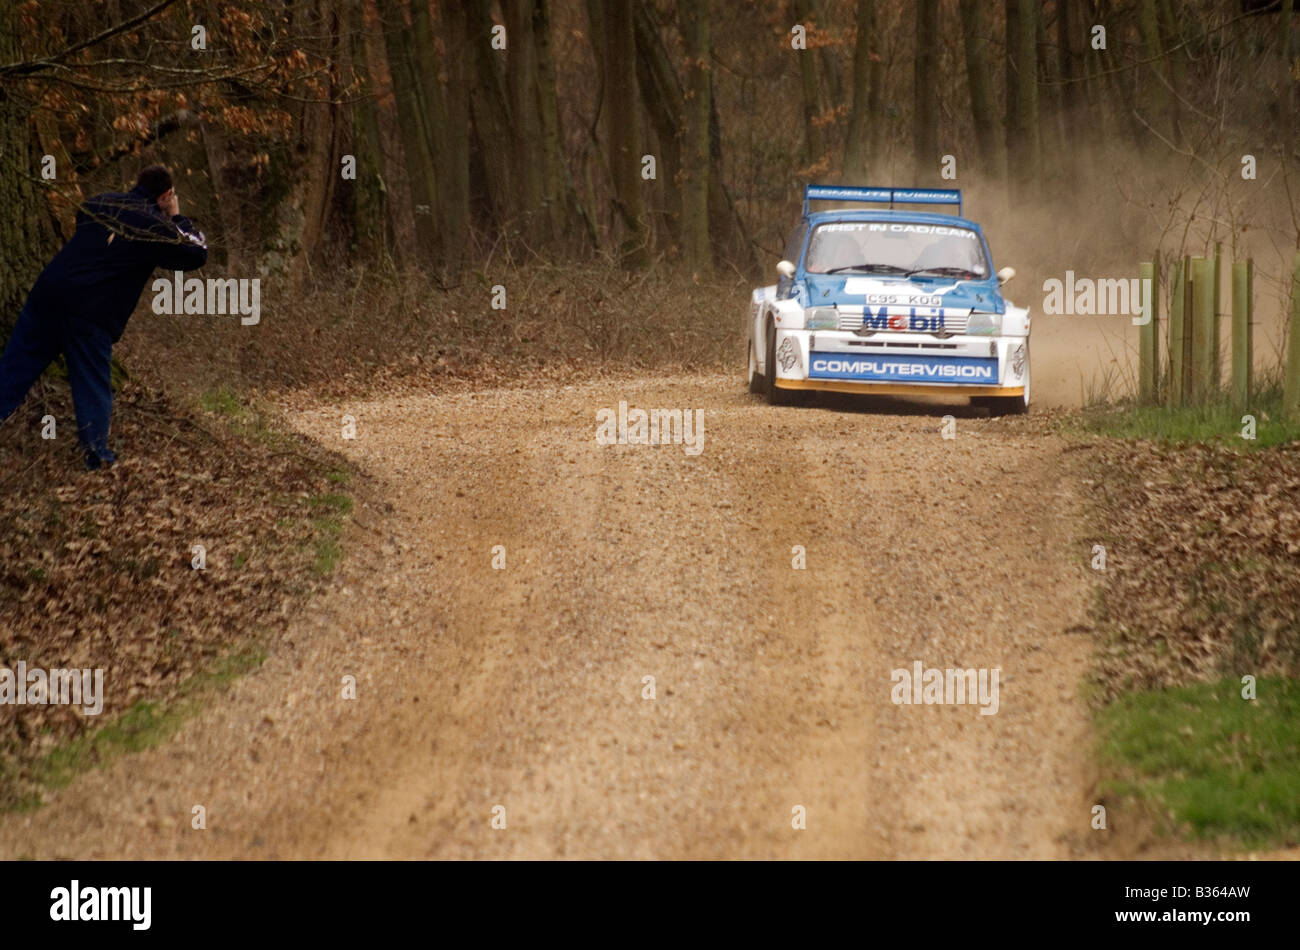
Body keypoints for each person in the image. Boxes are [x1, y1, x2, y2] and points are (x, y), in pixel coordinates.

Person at [0, 164, 208, 469]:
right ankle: (97, 456)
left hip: (48, 294)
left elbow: (84, 219)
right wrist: (175, 216)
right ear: (165, 195)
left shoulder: (97, 204)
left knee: (15, 367)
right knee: (93, 383)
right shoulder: (152, 226)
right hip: (90, 313)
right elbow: (196, 252)